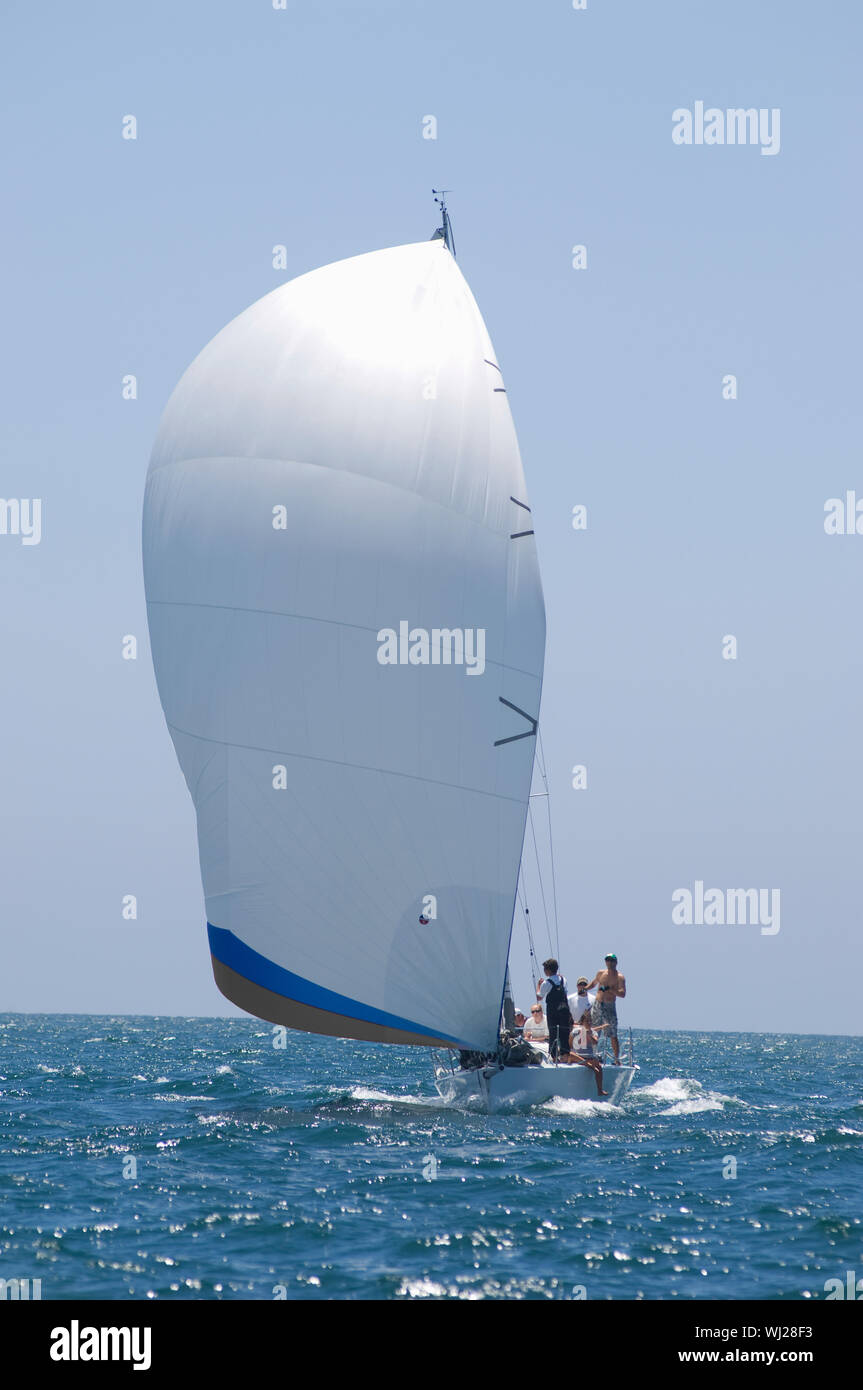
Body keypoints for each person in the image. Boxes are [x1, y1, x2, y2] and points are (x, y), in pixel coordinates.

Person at [586, 953, 626, 1064]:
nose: (610, 962)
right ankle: (592, 1055)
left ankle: (616, 1059)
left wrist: (610, 989)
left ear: (616, 962)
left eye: (612, 960)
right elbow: (593, 983)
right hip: (598, 1004)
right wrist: (585, 988)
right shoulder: (601, 973)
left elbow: (622, 994)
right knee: (594, 1030)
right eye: (608, 960)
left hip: (609, 1006)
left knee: (612, 1033)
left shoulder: (620, 977)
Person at [537, 958, 572, 1062]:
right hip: (564, 1010)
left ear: (547, 970)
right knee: (564, 1034)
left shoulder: (546, 983)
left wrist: (539, 985)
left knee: (553, 1033)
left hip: (553, 1011)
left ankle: (554, 1058)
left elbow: (539, 997)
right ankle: (565, 1057)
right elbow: (565, 991)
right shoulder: (563, 980)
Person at [567, 1016, 609, 1096]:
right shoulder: (575, 1031)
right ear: (582, 1022)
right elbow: (570, 1044)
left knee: (599, 1067)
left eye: (590, 1021)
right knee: (570, 1054)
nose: (589, 1023)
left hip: (589, 1057)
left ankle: (600, 1090)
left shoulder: (593, 1033)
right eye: (587, 1021)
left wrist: (588, 1035)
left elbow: (595, 1042)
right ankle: (590, 1066)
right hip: (577, 1056)